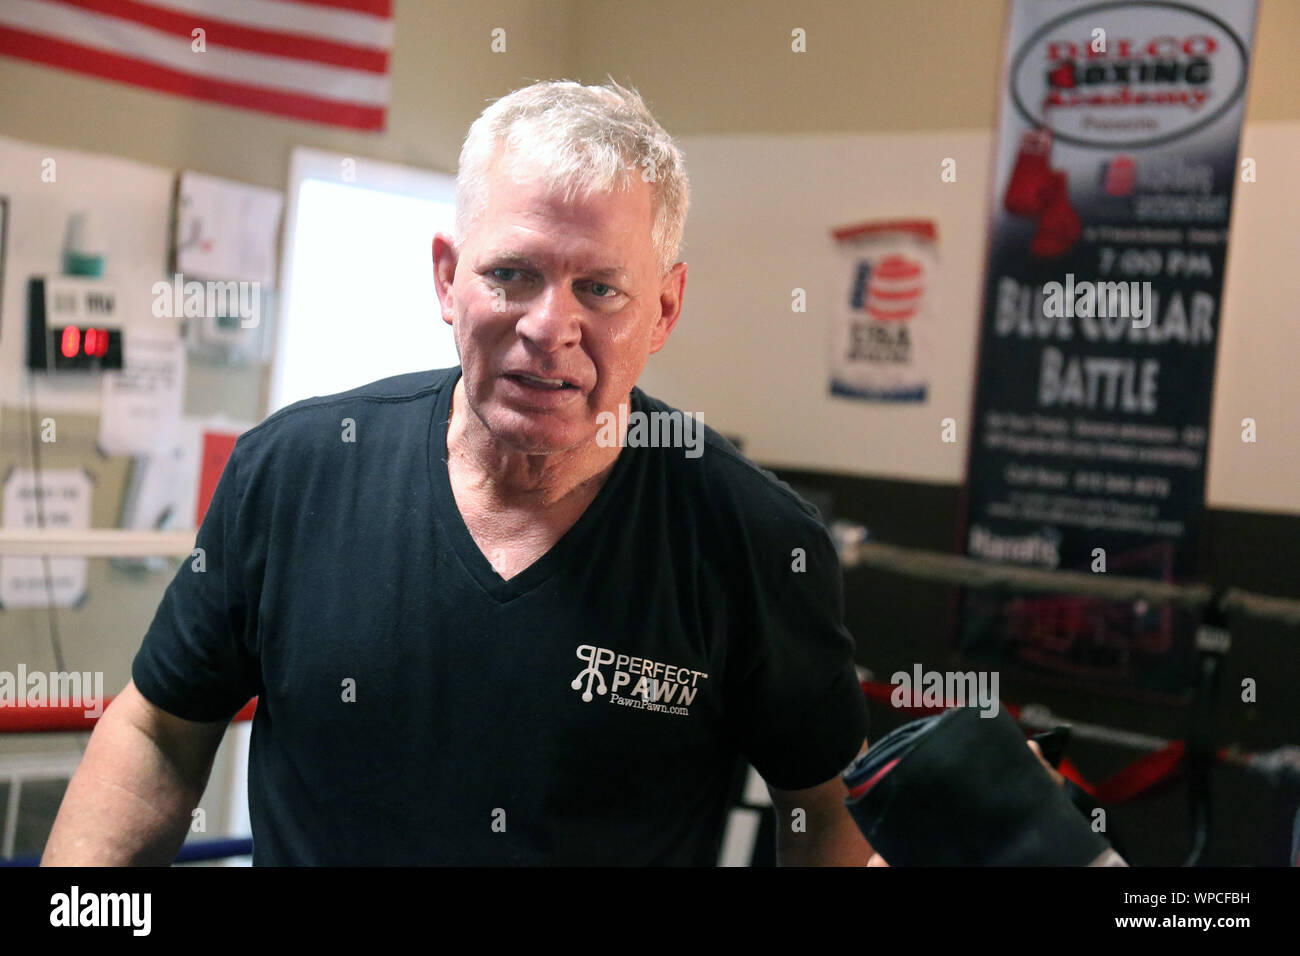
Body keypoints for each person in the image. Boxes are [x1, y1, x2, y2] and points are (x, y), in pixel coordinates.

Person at [42, 79, 877, 866]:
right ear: (447, 278)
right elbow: (158, 732)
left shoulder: (753, 540)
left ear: (663, 307)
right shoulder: (294, 473)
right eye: (512, 273)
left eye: (600, 288)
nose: (550, 327)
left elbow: (826, 809)